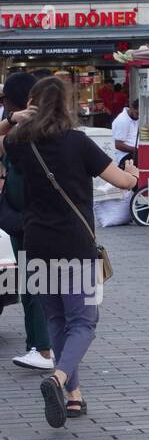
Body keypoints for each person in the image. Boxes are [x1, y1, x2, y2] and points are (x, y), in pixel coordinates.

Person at [2, 77, 140, 428]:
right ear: (66, 104)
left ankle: (74, 398)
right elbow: (123, 183)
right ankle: (60, 378)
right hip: (75, 245)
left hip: (35, 246)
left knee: (56, 321)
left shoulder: (20, 142)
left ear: (33, 104)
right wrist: (133, 173)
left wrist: (14, 118)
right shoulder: (77, 142)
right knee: (83, 322)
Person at [0, 72, 55, 373]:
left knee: (36, 285)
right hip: (49, 218)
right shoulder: (56, 129)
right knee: (40, 283)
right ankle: (47, 345)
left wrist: (10, 119)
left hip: (29, 219)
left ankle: (43, 348)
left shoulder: (21, 136)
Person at [111, 99, 139, 168]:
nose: (138, 116)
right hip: (126, 155)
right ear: (132, 108)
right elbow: (118, 145)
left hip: (136, 152)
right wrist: (137, 150)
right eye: (137, 113)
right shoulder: (122, 121)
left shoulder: (136, 118)